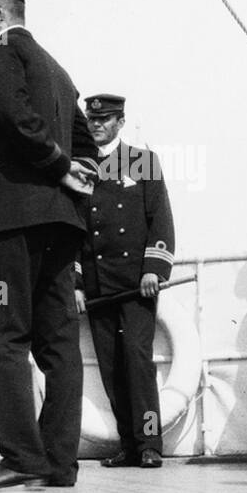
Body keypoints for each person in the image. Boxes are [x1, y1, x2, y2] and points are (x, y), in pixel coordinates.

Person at [0, 0, 99, 490]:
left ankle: (21, 456)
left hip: (9, 220)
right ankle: (59, 464)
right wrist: (72, 172)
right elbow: (87, 142)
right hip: (60, 225)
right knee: (59, 344)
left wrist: (58, 166)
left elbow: (13, 114)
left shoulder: (2, 53)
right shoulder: (58, 70)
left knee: (2, 335)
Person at [73, 94, 176, 470]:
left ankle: (149, 444)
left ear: (120, 122)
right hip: (99, 284)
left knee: (136, 360)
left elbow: (160, 219)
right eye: (92, 120)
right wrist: (78, 284)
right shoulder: (81, 167)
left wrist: (154, 268)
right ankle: (129, 445)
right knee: (111, 366)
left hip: (136, 283)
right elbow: (76, 230)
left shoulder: (143, 161)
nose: (97, 125)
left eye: (105, 119)